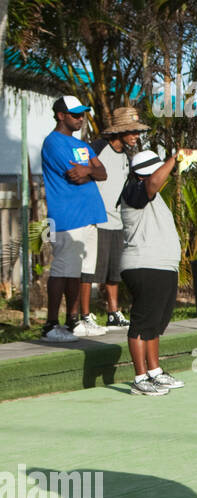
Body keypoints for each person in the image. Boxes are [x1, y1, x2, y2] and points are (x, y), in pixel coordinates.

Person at [118, 149, 188, 395]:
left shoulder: (151, 195)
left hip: (163, 266)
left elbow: (157, 181)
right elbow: (154, 181)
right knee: (141, 323)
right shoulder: (133, 191)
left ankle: (155, 372)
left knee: (155, 324)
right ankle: (139, 378)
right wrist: (174, 158)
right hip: (143, 265)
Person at [40, 95, 107, 340]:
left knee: (78, 272)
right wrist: (91, 171)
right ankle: (50, 325)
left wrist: (89, 169)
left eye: (82, 114)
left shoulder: (83, 144)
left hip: (90, 215)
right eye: (75, 115)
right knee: (62, 271)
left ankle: (72, 321)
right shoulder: (53, 142)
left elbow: (103, 173)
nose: (81, 118)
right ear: (61, 116)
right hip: (68, 216)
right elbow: (73, 175)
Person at [87, 107, 149, 327]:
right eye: (131, 131)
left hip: (118, 221)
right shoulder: (98, 147)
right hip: (97, 219)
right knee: (93, 270)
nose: (136, 136)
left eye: (137, 132)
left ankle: (113, 313)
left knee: (115, 270)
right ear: (119, 131)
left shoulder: (126, 156)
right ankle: (84, 315)